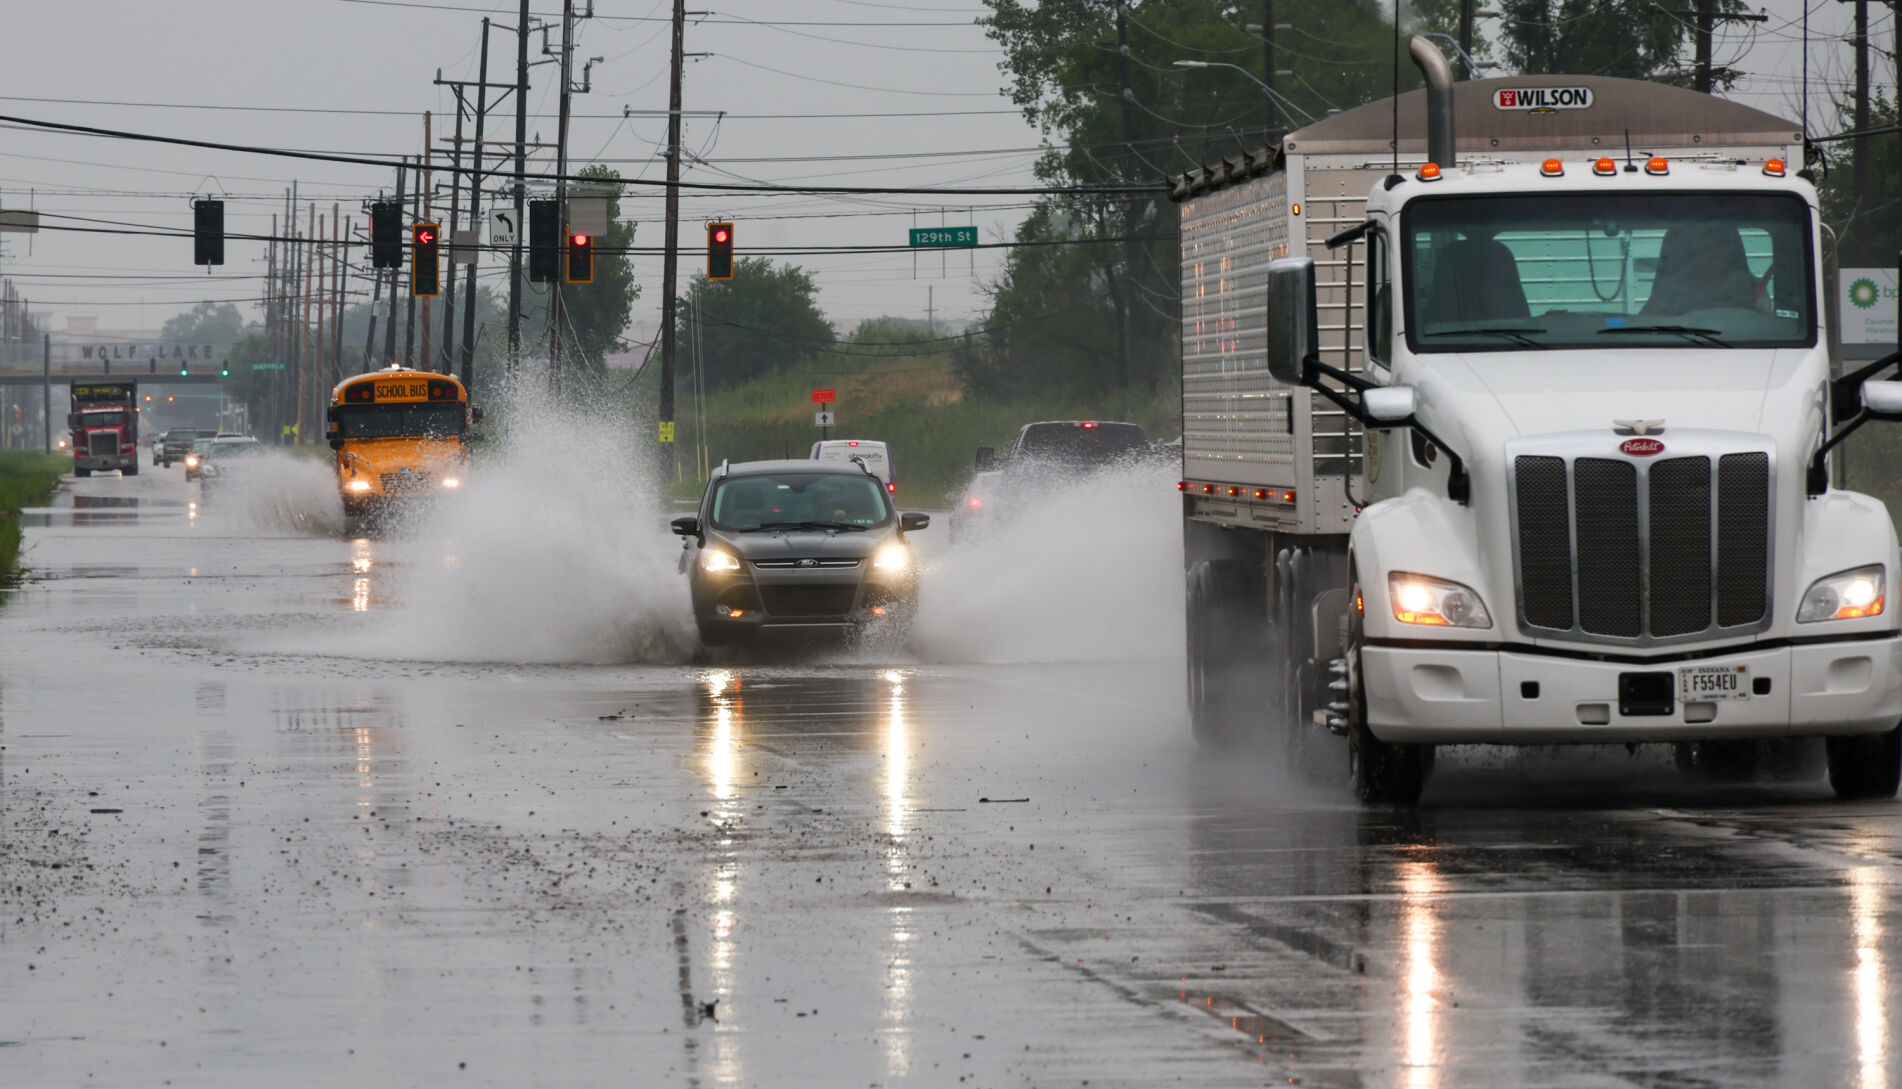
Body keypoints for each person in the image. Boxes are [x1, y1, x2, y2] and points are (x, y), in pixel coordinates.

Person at [1642, 221, 1764, 317]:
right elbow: (1646, 328)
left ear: (1732, 249)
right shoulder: (1669, 291)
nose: (1712, 253)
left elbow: (1764, 326)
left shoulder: (1751, 287)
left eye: (1721, 244)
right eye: (1705, 246)